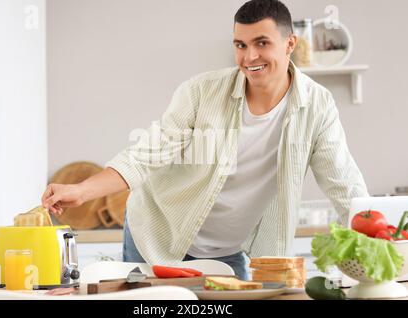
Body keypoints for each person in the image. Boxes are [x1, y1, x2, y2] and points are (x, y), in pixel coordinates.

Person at [42, 0, 368, 280]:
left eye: (261, 43)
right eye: (240, 45)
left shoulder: (318, 105)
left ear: (290, 44)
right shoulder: (201, 92)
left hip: (228, 251)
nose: (249, 56)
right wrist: (81, 190)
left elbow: (343, 182)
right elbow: (145, 155)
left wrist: (380, 235)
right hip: (159, 235)